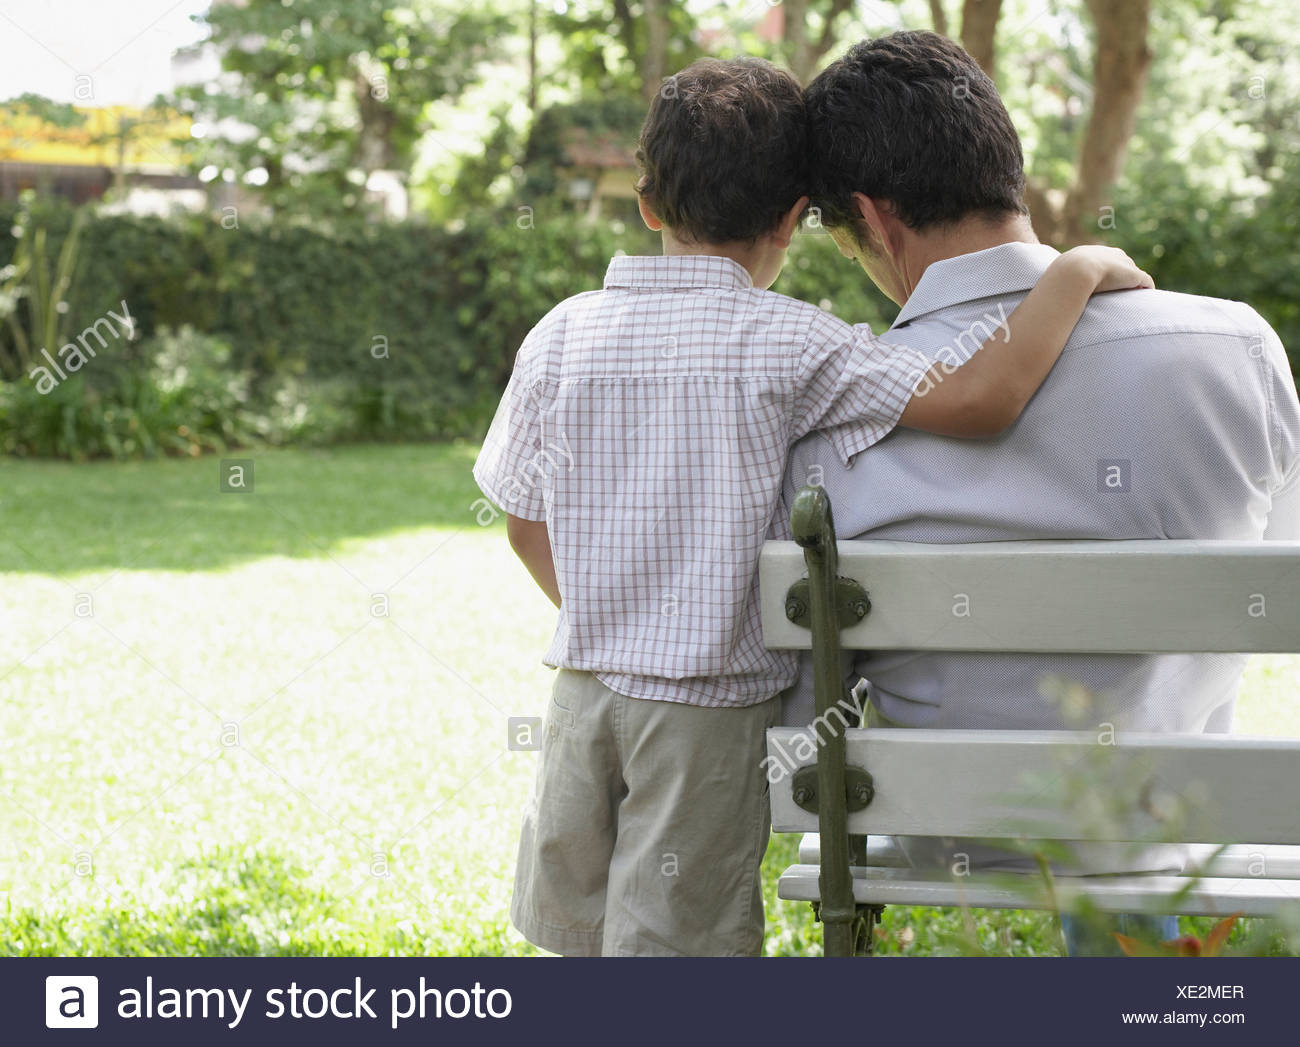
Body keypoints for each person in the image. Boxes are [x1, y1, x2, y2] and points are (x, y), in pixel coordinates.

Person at [474, 55, 1151, 957]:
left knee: (578, 933)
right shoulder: (794, 344)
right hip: (704, 719)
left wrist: (615, 620)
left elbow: (525, 523)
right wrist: (1075, 269)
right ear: (795, 217)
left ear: (647, 203)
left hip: (582, 696)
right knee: (678, 944)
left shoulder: (563, 331)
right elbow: (982, 399)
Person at [782, 30, 1300, 955]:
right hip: (1177, 809)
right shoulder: (1238, 348)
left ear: (873, 217)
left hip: (956, 824)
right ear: (1004, 164)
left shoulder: (841, 406)